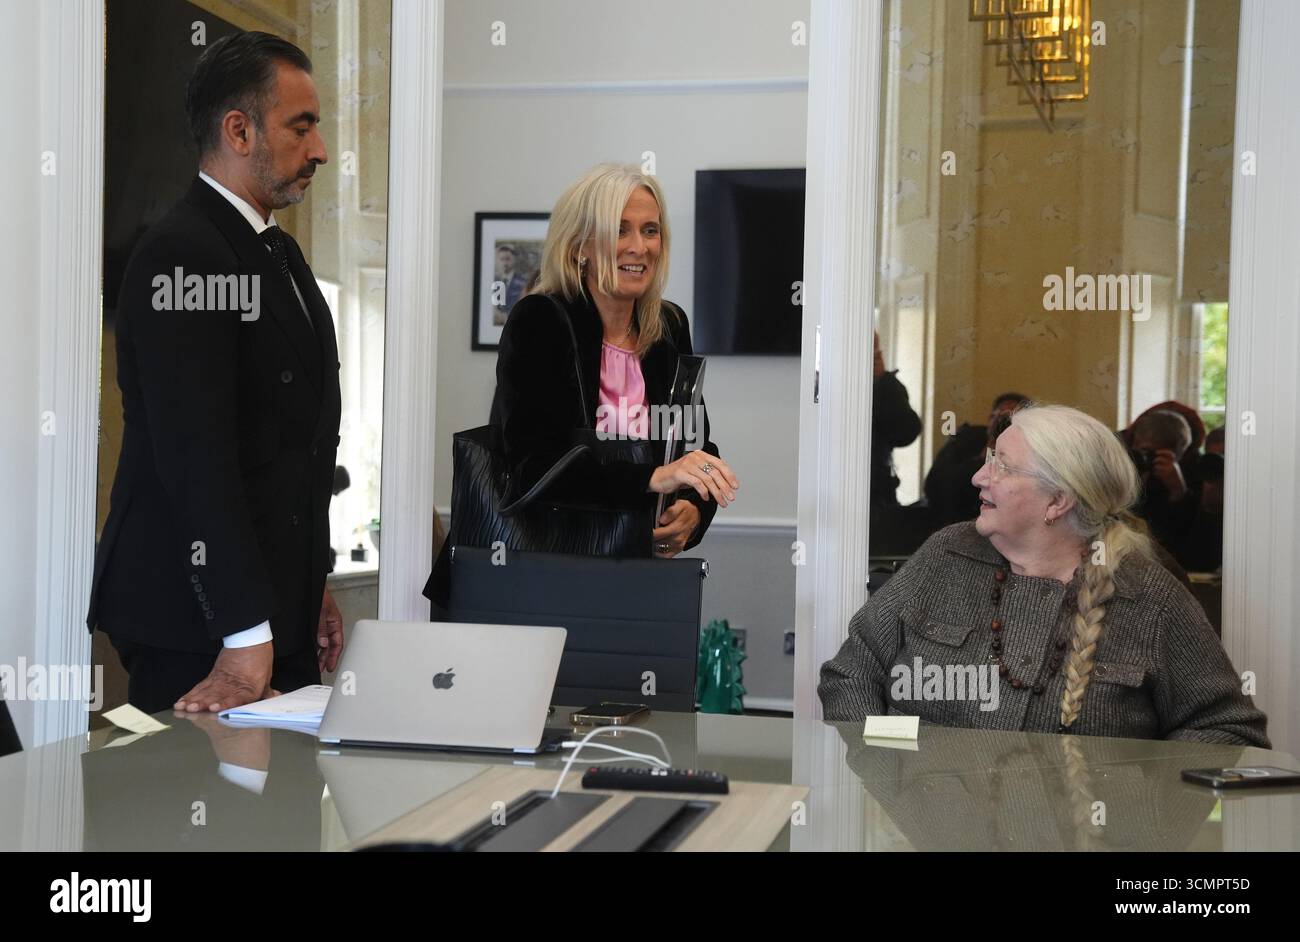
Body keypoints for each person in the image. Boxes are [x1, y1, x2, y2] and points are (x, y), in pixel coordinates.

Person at [87, 32, 344, 714]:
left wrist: (308, 585)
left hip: (269, 619)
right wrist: (244, 630)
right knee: (207, 820)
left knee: (282, 819)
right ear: (238, 130)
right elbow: (194, 461)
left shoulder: (280, 253)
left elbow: (294, 452)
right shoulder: (182, 254)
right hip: (198, 622)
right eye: (302, 127)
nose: (319, 150)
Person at [819, 403, 1267, 745]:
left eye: (1003, 466)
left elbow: (1228, 729)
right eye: (988, 459)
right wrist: (895, 769)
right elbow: (850, 676)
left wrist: (1136, 806)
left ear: (1057, 501)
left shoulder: (1147, 594)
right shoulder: (947, 555)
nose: (978, 477)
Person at [488, 163, 738, 558]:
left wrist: (693, 509)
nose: (639, 246)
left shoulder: (669, 326)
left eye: (650, 230)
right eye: (619, 230)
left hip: (641, 565)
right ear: (580, 246)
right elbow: (534, 467)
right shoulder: (541, 319)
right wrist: (653, 478)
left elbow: (692, 444)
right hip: (552, 564)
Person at [923, 391, 1029, 528]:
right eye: (996, 417)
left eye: (1008, 419)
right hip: (959, 523)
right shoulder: (966, 440)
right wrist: (985, 453)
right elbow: (935, 487)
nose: (1001, 424)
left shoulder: (1032, 453)